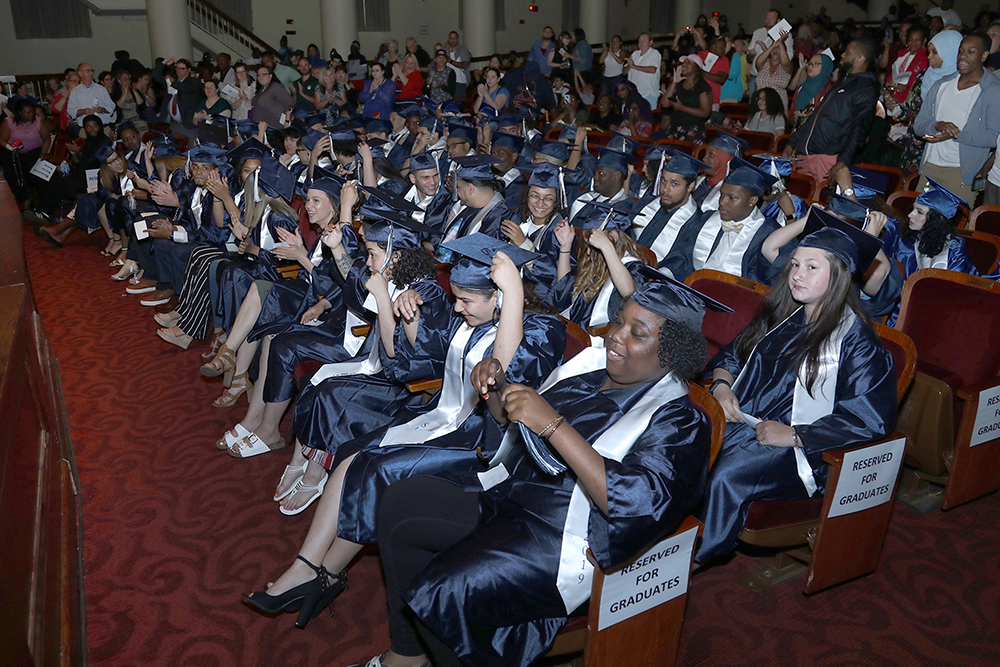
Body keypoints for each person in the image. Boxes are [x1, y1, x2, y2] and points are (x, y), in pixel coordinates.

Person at [364, 275, 716, 667]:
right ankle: (409, 655)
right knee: (401, 505)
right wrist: (496, 388)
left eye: (638, 333)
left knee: (442, 591)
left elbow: (635, 503)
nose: (616, 336)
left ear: (672, 353)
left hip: (560, 540)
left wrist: (553, 425)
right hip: (512, 498)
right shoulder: (591, 372)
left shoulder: (681, 423)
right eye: (618, 322)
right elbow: (512, 423)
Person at [696, 212, 898, 562]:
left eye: (811, 267)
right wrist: (723, 386)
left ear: (838, 276)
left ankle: (698, 554)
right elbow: (734, 355)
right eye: (794, 265)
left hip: (805, 447)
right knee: (685, 440)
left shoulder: (856, 341)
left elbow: (870, 419)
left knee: (725, 474)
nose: (796, 275)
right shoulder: (783, 313)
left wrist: (794, 435)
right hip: (744, 420)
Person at [913, 32, 1000, 203]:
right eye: (961, 51)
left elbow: (994, 137)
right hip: (931, 165)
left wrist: (956, 134)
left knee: (955, 227)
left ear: (984, 56)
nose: (963, 56)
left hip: (962, 173)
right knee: (918, 222)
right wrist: (938, 125)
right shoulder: (942, 84)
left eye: (970, 52)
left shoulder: (992, 90)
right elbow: (919, 124)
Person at [660, 162, 781, 284]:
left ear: (753, 200)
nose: (722, 202)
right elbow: (683, 255)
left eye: (732, 198)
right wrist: (665, 273)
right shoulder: (707, 219)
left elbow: (763, 280)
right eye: (722, 195)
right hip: (693, 291)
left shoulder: (769, 234)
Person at [783, 37, 881, 184]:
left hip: (826, 157)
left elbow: (860, 129)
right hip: (806, 153)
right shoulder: (844, 82)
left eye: (848, 52)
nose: (842, 55)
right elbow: (817, 116)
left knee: (818, 202)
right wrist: (792, 143)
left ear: (860, 58)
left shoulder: (866, 88)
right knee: (801, 200)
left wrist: (842, 161)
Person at [886, 29, 961, 174]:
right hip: (918, 139)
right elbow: (913, 106)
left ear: (950, 52)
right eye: (928, 52)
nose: (929, 57)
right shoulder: (924, 76)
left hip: (946, 142)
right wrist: (896, 108)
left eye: (935, 52)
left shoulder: (960, 80)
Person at [0, 98, 46, 208]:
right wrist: (10, 148)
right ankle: (22, 198)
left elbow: (46, 138)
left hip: (33, 152)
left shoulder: (38, 121)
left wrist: (43, 153)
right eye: (28, 112)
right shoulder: (9, 122)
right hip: (14, 152)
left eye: (32, 112)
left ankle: (33, 199)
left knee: (32, 174)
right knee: (14, 173)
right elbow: (2, 139)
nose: (31, 114)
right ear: (20, 113)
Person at [659, 55, 712, 143]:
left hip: (693, 131)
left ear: (697, 68)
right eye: (684, 62)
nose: (684, 65)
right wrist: (674, 82)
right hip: (675, 129)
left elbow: (705, 112)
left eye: (689, 62)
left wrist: (682, 108)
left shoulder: (703, 87)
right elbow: (664, 104)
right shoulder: (679, 85)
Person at [748, 9, 793, 100]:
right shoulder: (758, 32)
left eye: (771, 18)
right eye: (766, 17)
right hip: (756, 76)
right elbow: (749, 59)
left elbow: (788, 58)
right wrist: (751, 55)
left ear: (778, 21)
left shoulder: (786, 35)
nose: (767, 20)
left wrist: (767, 51)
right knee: (753, 107)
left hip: (774, 77)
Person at [787, 51, 834, 128]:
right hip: (799, 132)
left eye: (816, 63)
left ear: (826, 66)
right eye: (809, 63)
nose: (810, 66)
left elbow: (831, 113)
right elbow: (791, 113)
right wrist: (796, 116)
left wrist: (812, 114)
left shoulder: (829, 88)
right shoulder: (802, 87)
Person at [753, 28, 792, 113]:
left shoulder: (786, 67)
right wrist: (772, 46)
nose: (775, 50)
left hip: (779, 105)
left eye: (779, 48)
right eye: (774, 48)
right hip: (760, 105)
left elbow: (785, 63)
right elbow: (758, 62)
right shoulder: (764, 64)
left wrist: (780, 42)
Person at [67, 62, 115, 129]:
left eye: (92, 70)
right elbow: (71, 111)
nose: (91, 73)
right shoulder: (75, 91)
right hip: (85, 129)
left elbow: (111, 106)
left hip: (102, 127)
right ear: (80, 73)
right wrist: (84, 111)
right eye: (88, 70)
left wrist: (102, 109)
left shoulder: (101, 89)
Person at [626, 33, 662, 109]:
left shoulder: (654, 54)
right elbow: (624, 71)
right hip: (633, 94)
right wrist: (629, 65)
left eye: (644, 40)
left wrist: (634, 66)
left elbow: (653, 69)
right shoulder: (635, 54)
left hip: (648, 94)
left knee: (648, 119)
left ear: (650, 42)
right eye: (639, 40)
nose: (641, 42)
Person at [445, 31, 472, 98]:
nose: (452, 40)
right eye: (451, 38)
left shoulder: (463, 50)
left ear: (458, 39)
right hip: (448, 81)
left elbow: (464, 65)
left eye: (454, 38)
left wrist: (451, 61)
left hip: (460, 81)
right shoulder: (446, 50)